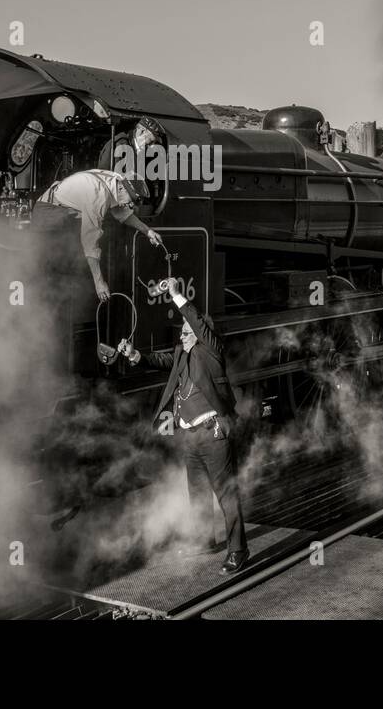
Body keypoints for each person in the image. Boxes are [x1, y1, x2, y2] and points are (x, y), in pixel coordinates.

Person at [118, 277, 249, 575]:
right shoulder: (183, 353)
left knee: (226, 494)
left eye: (189, 332)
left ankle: (239, 550)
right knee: (199, 493)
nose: (184, 336)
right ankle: (205, 540)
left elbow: (198, 325)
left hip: (213, 433)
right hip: (190, 435)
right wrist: (136, 356)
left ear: (203, 335)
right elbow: (163, 361)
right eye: (183, 333)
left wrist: (176, 296)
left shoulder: (211, 351)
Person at [36, 168, 161, 300]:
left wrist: (148, 231)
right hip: (49, 212)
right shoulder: (99, 195)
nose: (130, 204)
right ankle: (52, 301)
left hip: (66, 210)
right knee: (55, 266)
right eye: (131, 200)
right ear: (122, 189)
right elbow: (89, 242)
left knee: (76, 256)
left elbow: (123, 213)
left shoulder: (117, 182)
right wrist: (99, 283)